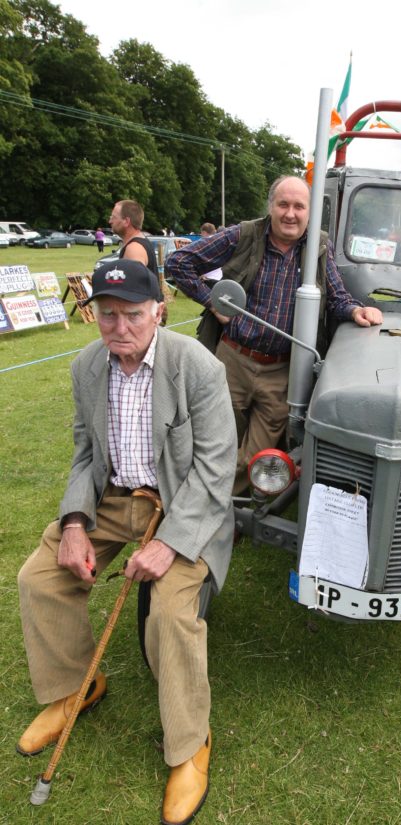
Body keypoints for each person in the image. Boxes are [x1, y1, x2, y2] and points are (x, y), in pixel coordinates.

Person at [16, 259, 236, 825]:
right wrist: (71, 524)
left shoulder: (199, 368)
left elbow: (215, 473)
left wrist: (169, 545)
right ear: (93, 315)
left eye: (132, 315)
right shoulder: (87, 365)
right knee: (39, 577)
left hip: (184, 507)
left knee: (167, 611)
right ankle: (76, 689)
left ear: (159, 312)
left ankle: (189, 746)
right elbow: (86, 453)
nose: (119, 328)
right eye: (106, 315)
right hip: (114, 500)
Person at [165, 175, 383, 494]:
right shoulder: (244, 235)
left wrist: (355, 311)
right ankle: (204, 505)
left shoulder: (319, 246)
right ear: (271, 207)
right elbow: (178, 263)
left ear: (310, 212)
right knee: (214, 440)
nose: (290, 214)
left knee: (255, 456)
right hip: (232, 360)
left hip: (283, 370)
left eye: (299, 206)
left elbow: (336, 296)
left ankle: (218, 505)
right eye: (283, 204)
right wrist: (212, 300)